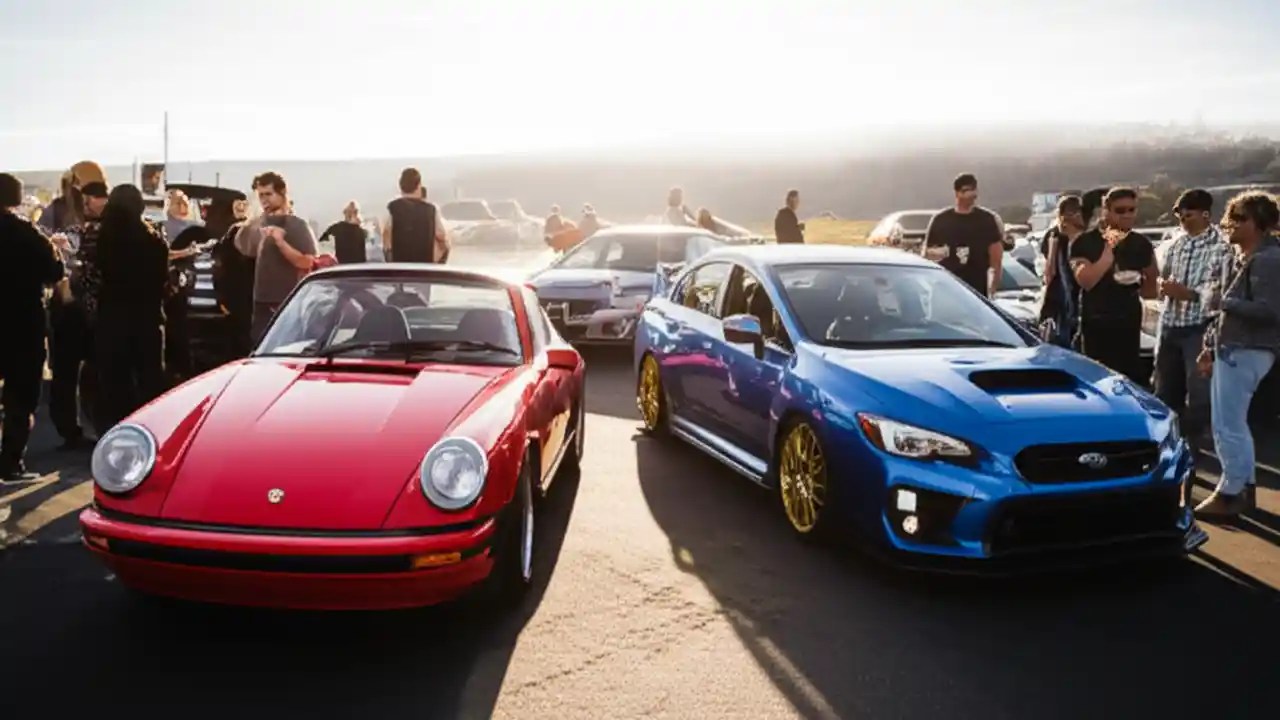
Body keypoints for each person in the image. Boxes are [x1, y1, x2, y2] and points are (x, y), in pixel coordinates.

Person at [1194, 191, 1280, 519]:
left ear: (1259, 223)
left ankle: (1231, 492)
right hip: (1233, 348)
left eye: (1239, 218)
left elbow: (1270, 310)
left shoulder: (1268, 260)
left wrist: (1224, 303)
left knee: (1228, 425)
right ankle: (1241, 490)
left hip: (1248, 350)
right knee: (1229, 423)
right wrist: (1209, 347)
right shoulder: (1245, 257)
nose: (1230, 224)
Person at [1154, 189, 1231, 454]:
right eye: (1181, 216)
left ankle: (1196, 442)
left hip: (1199, 326)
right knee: (1165, 388)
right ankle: (1169, 443)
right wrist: (1163, 287)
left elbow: (1221, 291)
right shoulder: (1176, 244)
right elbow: (1163, 277)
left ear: (1205, 214)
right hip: (1170, 323)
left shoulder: (1222, 247)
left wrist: (1189, 294)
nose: (1184, 221)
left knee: (1200, 391)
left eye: (1189, 215)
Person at [0, 173, 66, 480]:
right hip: (22, 323)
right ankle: (10, 463)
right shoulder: (27, 234)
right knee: (21, 395)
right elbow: (55, 271)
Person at [95, 184, 170, 431]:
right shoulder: (154, 241)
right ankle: (152, 430)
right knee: (150, 379)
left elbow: (91, 278)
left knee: (115, 382)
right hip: (147, 317)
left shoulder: (100, 239)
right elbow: (162, 282)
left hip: (112, 318)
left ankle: (116, 431)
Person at [1069, 187, 1159, 381]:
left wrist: (1147, 280)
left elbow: (1152, 290)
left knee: (1128, 381)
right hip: (1096, 324)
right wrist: (1108, 251)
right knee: (1098, 381)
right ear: (1106, 211)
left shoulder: (1141, 243)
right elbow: (1086, 281)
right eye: (1120, 210)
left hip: (1129, 324)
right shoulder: (1085, 242)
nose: (1127, 215)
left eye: (1131, 210)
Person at [48, 181, 110, 448]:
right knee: (67, 374)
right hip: (74, 312)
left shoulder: (109, 232)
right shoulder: (70, 230)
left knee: (90, 373)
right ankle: (71, 431)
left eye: (93, 199)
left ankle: (88, 426)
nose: (89, 205)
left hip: (91, 313)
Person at [234, 171, 318, 341]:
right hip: (261, 302)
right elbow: (242, 248)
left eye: (268, 194)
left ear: (282, 194)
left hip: (289, 301)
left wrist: (281, 243)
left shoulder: (297, 225)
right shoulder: (257, 223)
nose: (264, 199)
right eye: (260, 195)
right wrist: (249, 221)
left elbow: (307, 262)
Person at [922, 173, 1004, 297]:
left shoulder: (987, 220)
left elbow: (996, 258)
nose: (970, 195)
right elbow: (927, 255)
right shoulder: (941, 220)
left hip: (976, 291)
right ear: (957, 193)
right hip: (946, 288)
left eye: (973, 190)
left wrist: (992, 289)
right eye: (965, 191)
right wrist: (942, 253)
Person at [1038, 195, 1087, 348]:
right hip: (1061, 298)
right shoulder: (1054, 236)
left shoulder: (1085, 237)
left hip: (1078, 297)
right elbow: (1050, 271)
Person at [381, 168, 449, 265]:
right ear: (419, 185)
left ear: (400, 186)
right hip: (424, 269)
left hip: (400, 269)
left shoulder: (392, 208)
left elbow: (386, 235)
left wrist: (389, 257)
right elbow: (441, 237)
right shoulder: (431, 210)